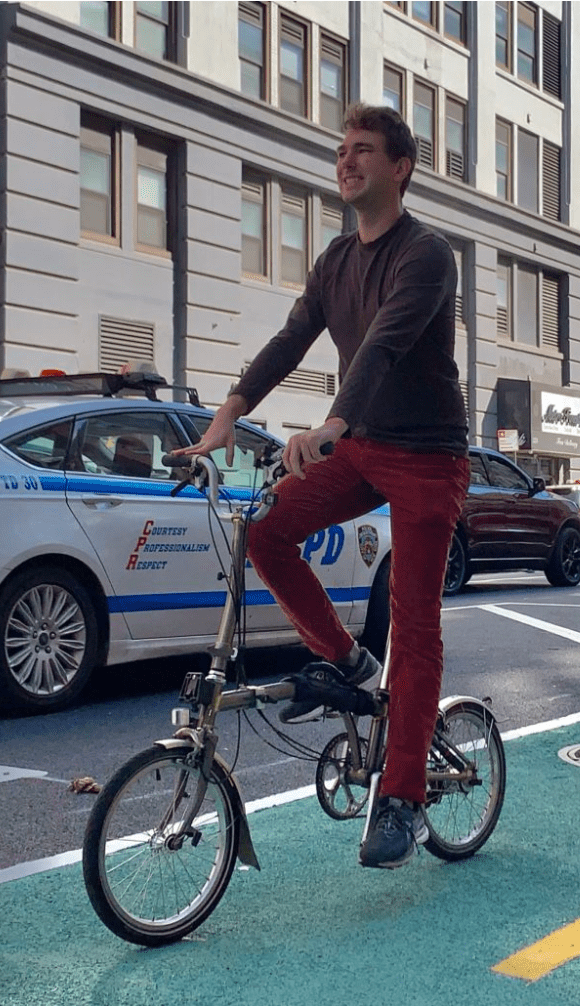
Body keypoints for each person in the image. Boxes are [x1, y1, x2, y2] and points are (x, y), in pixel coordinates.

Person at [174, 103, 468, 870]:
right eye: (341, 150)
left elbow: (383, 344)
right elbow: (290, 339)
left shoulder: (428, 254)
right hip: (365, 446)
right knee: (266, 530)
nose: (346, 161)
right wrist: (228, 416)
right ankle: (344, 660)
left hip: (429, 456)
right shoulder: (336, 259)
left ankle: (401, 796)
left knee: (414, 621)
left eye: (362, 150)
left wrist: (332, 424)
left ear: (399, 168)